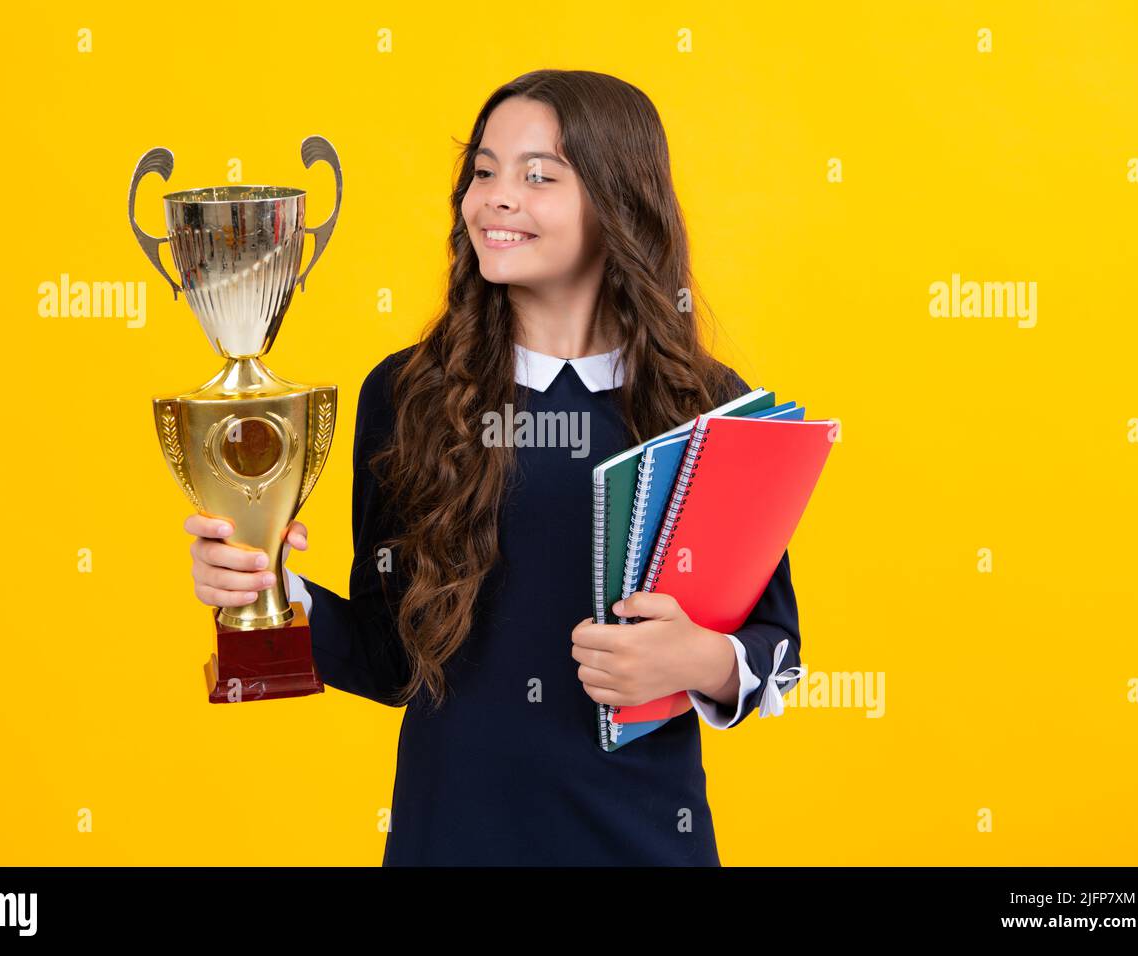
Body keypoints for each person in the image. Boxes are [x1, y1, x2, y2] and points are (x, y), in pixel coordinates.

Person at [185, 69, 805, 865]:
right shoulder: (409, 395)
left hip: (648, 843)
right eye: (483, 171)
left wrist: (705, 661)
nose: (495, 198)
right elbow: (391, 657)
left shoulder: (711, 406)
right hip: (451, 841)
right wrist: (269, 587)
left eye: (538, 175)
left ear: (619, 199)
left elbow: (777, 649)